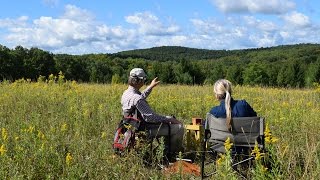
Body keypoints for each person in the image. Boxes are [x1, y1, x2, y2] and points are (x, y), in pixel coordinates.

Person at [121, 68, 184, 156]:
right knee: (179, 127)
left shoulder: (126, 93)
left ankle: (164, 150)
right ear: (139, 81)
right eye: (144, 80)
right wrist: (170, 119)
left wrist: (150, 87)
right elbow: (150, 117)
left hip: (131, 128)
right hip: (143, 130)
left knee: (168, 124)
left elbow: (140, 97)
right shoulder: (137, 98)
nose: (144, 82)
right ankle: (171, 154)